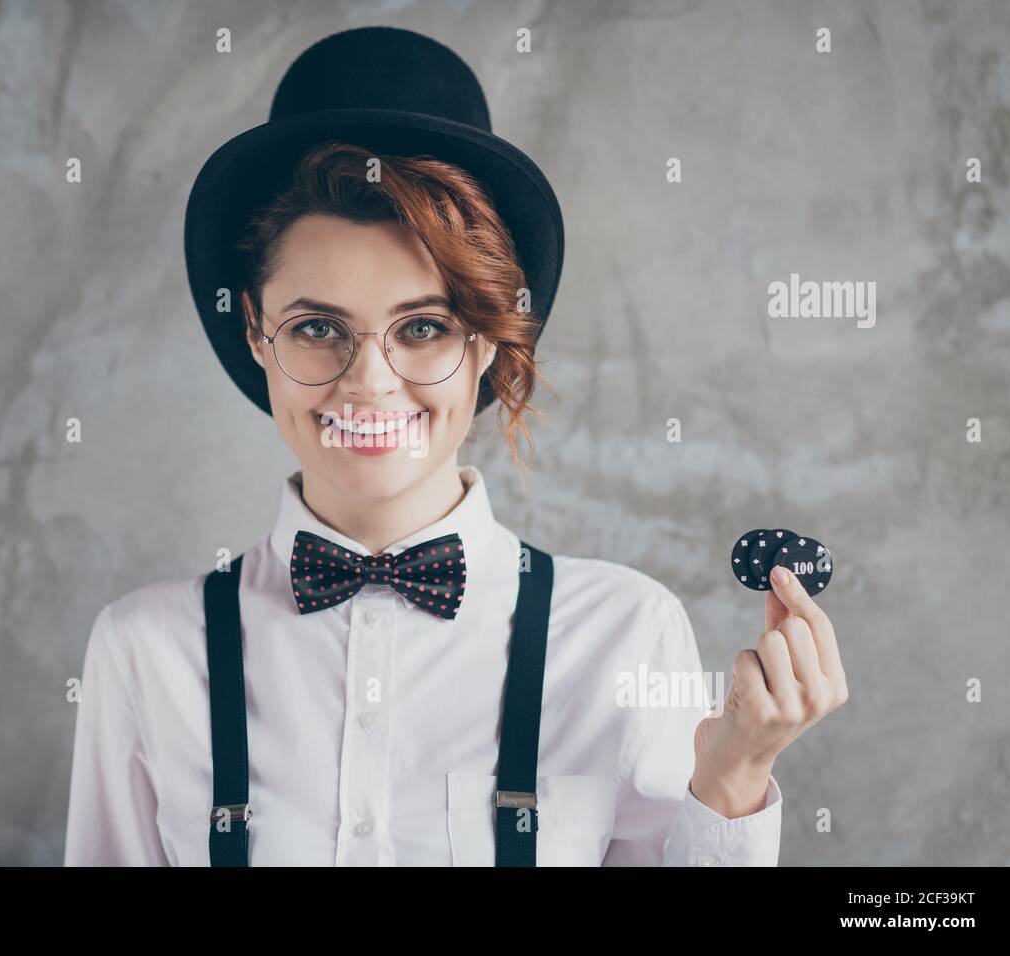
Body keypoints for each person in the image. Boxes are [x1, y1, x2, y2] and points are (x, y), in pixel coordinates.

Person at [64, 26, 847, 867]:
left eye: (424, 327)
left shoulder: (623, 633)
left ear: (486, 342)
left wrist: (735, 776)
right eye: (318, 327)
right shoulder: (143, 649)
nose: (369, 382)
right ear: (256, 333)